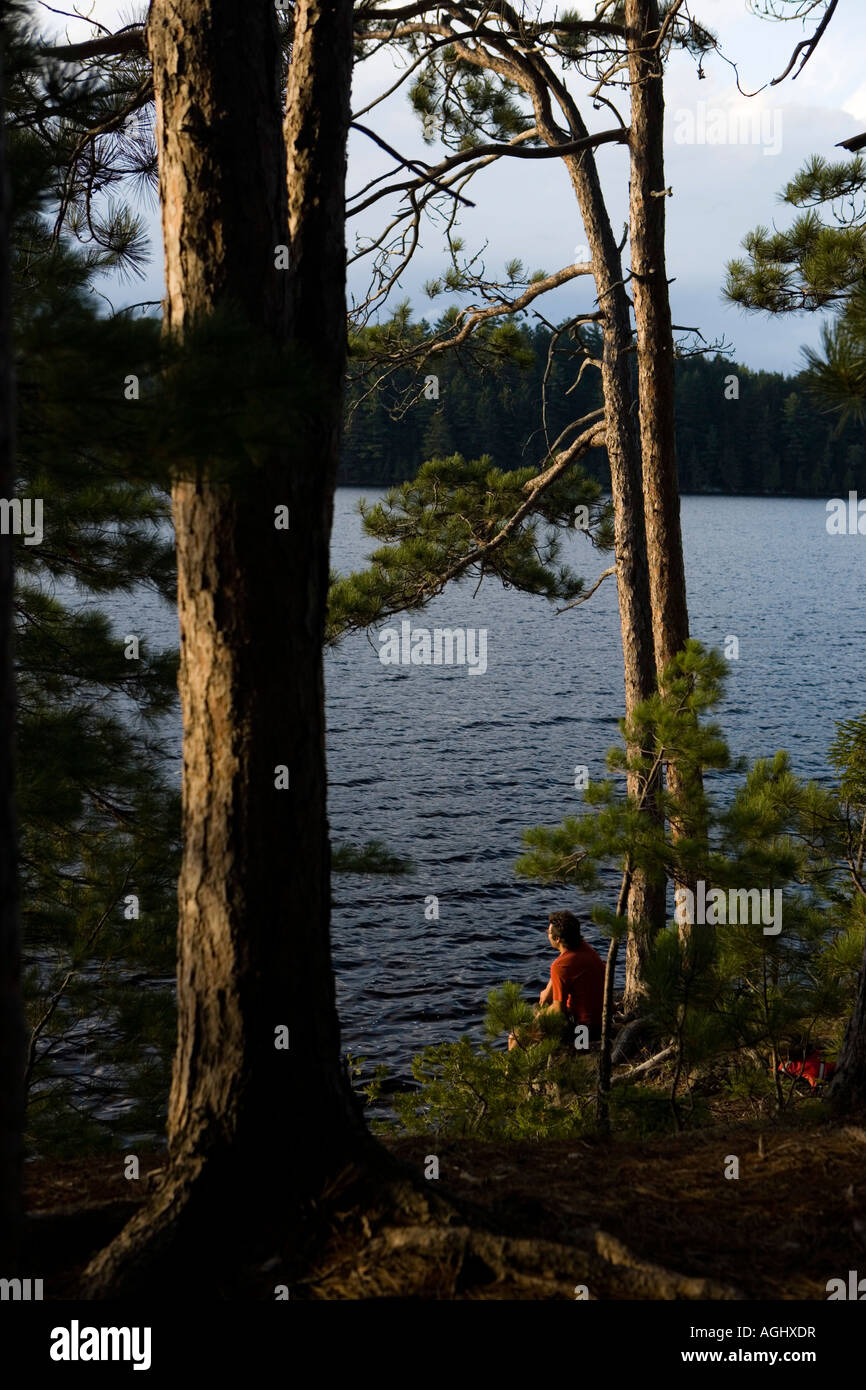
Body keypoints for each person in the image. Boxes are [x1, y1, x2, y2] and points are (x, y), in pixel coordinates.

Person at [508, 909, 605, 1050]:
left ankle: (511, 1070)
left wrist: (541, 1015)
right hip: (600, 1023)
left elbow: (558, 1011)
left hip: (582, 1031)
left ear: (557, 939)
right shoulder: (585, 949)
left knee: (514, 1037)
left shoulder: (560, 966)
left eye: (548, 933)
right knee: (539, 1008)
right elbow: (551, 991)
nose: (547, 935)